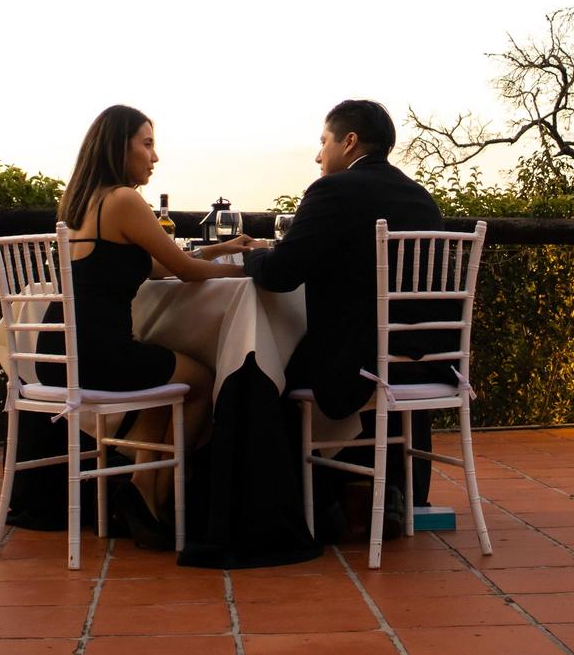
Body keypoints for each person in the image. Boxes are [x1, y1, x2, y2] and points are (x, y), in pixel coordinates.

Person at [36, 104, 250, 549]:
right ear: (120, 147)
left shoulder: (83, 201)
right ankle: (157, 498)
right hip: (98, 356)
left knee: (163, 386)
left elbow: (157, 265)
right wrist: (252, 268)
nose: (155, 157)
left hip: (56, 355)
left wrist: (220, 249)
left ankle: (142, 496)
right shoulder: (124, 200)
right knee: (201, 381)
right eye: (147, 144)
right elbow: (183, 272)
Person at [243, 99, 454, 539]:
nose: (318, 155)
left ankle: (306, 505)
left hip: (361, 366)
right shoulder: (421, 198)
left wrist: (251, 256)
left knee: (266, 374)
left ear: (349, 141)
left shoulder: (333, 191)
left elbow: (281, 274)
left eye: (324, 142)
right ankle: (385, 490)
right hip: (427, 360)